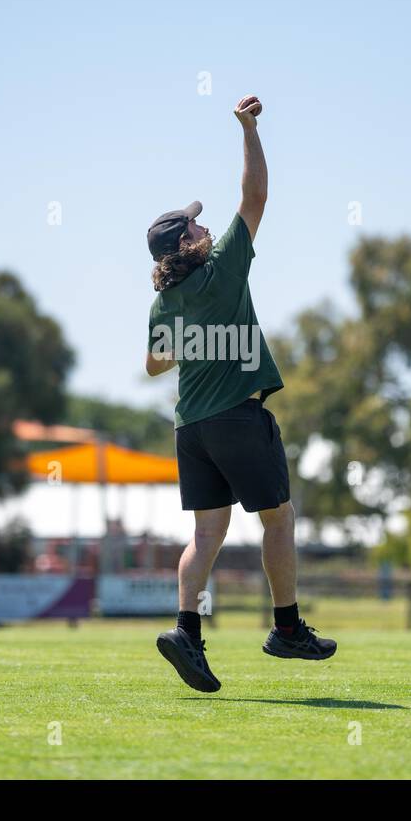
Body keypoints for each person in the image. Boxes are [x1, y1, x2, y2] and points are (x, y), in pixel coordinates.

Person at [144, 95, 336, 692]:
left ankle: (186, 633)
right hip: (237, 420)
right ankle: (286, 627)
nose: (205, 224)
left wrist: (194, 342)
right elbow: (254, 198)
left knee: (206, 536)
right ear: (188, 242)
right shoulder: (222, 265)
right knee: (278, 519)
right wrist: (249, 129)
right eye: (196, 223)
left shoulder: (164, 302)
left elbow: (153, 366)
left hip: (190, 430)